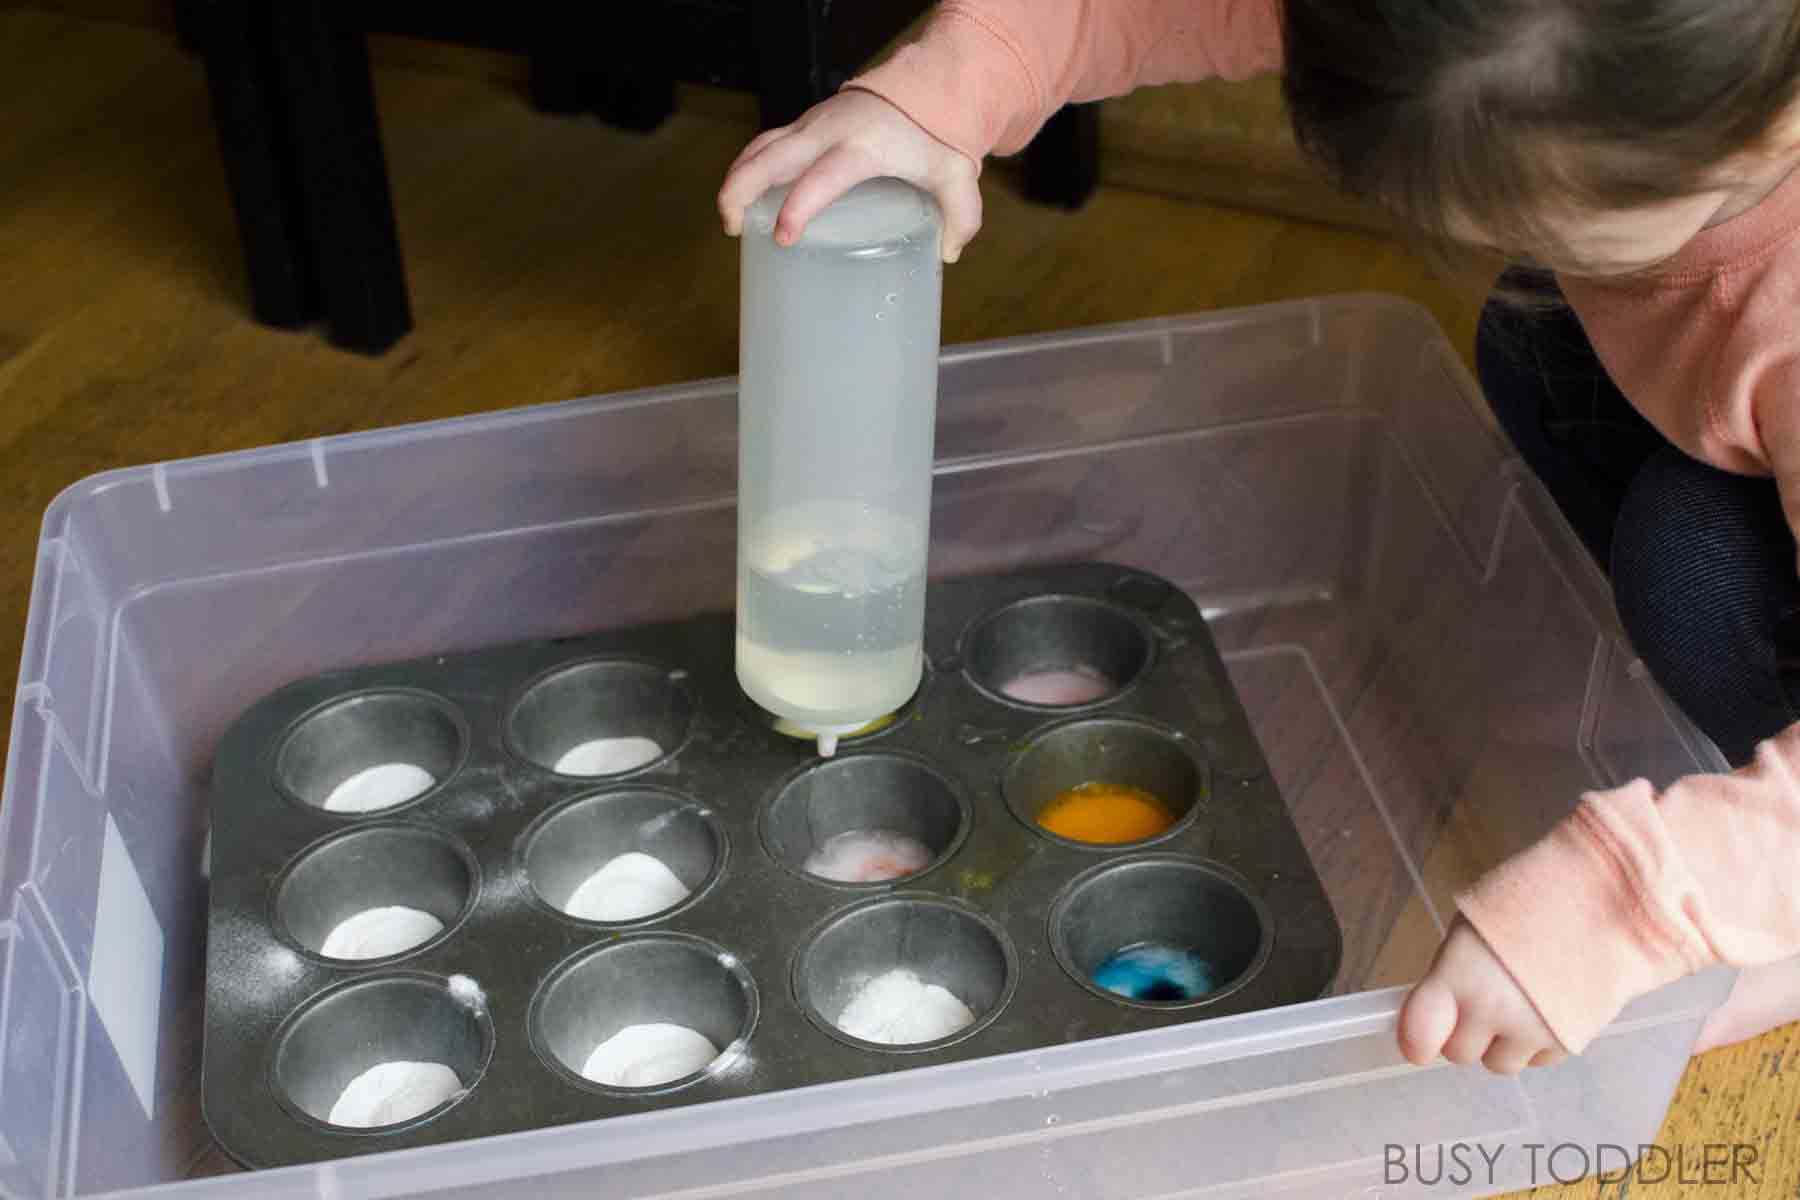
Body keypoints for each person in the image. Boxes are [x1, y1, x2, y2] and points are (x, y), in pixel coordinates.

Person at [716, 0, 1800, 1075]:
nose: (1497, 244)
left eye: (1550, 222)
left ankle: (1765, 873)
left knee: (1691, 557)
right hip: (1721, 372)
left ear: (1768, 128)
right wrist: (935, 102)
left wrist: (1624, 906)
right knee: (1540, 341)